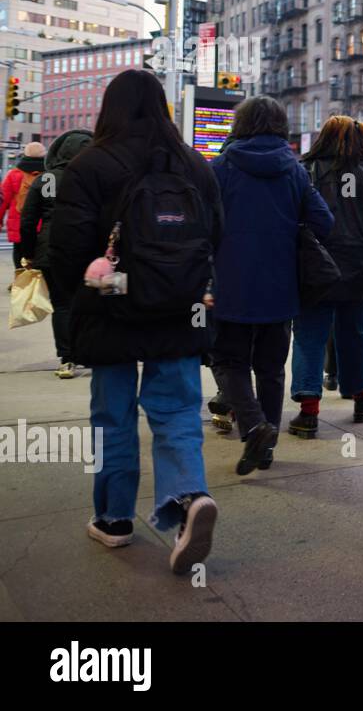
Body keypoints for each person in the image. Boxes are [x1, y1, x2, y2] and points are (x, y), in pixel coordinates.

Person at [48, 69, 223, 574]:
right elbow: (218, 236)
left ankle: (114, 520)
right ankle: (190, 499)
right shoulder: (194, 165)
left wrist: (79, 302)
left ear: (110, 108)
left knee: (113, 418)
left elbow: (67, 249)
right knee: (177, 413)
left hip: (111, 310)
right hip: (178, 311)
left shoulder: (90, 164)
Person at [209, 97, 332, 474]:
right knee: (271, 369)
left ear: (239, 124)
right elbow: (324, 222)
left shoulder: (220, 168)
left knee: (228, 361)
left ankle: (254, 426)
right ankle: (266, 448)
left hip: (230, 286)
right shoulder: (294, 170)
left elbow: (203, 223)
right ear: (280, 125)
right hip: (281, 288)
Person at [288, 116, 363, 437]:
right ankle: (361, 400)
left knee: (309, 337)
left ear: (323, 138)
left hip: (315, 271)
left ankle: (308, 414)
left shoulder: (305, 172)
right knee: (356, 335)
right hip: (360, 271)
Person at [19, 128, 93, 377]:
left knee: (61, 305)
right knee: (87, 304)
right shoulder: (92, 178)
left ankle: (67, 359)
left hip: (51, 250)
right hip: (87, 250)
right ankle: (87, 352)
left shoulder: (47, 179)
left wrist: (28, 253)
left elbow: (28, 221)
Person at [1, 141, 47, 273]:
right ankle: (37, 282)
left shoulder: (13, 174)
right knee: (40, 253)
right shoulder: (48, 175)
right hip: (41, 223)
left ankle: (20, 281)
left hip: (19, 222)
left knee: (19, 251)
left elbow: (3, 200)